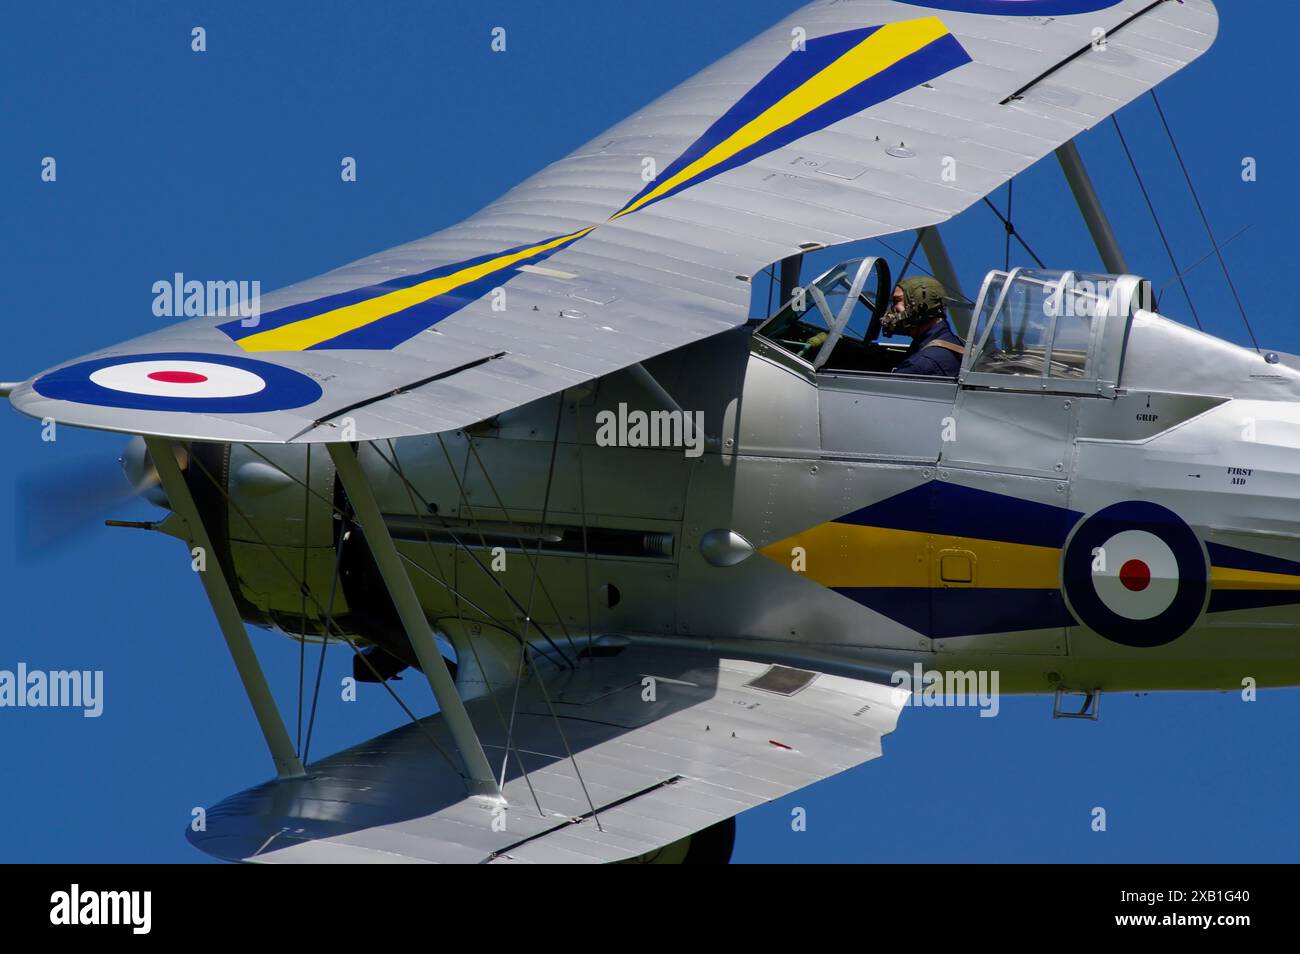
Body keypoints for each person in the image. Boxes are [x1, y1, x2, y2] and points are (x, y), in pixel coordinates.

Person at [884, 276, 965, 378]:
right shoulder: (952, 342)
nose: (893, 309)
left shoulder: (919, 365)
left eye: (897, 301)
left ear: (919, 305)